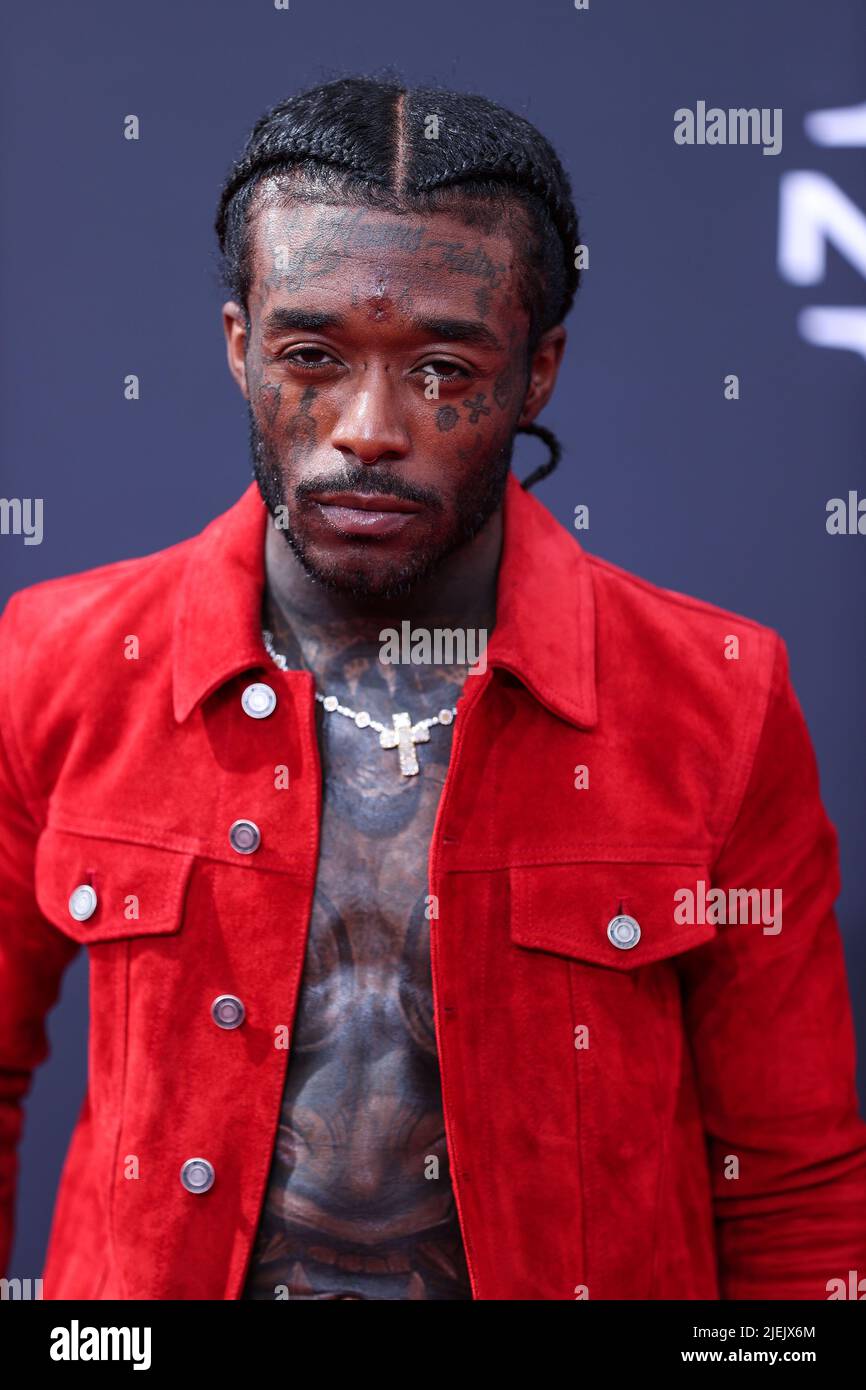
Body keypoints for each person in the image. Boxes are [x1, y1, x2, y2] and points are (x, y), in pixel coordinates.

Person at [1, 76, 864, 1301]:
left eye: (443, 368)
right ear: (240, 346)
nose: (367, 426)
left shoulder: (713, 701)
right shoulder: (62, 659)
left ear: (538, 373)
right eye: (312, 354)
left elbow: (789, 1185)